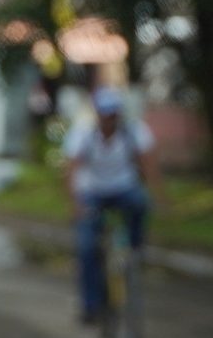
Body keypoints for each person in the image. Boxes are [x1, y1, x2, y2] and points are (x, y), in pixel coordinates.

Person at [63, 86, 159, 324]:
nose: (109, 119)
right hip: (92, 192)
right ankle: (91, 306)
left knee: (140, 203)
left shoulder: (134, 131)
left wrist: (158, 195)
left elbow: (148, 164)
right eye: (105, 114)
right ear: (97, 114)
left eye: (113, 114)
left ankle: (135, 250)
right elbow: (72, 169)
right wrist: (76, 203)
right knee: (86, 248)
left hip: (123, 188)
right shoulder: (83, 133)